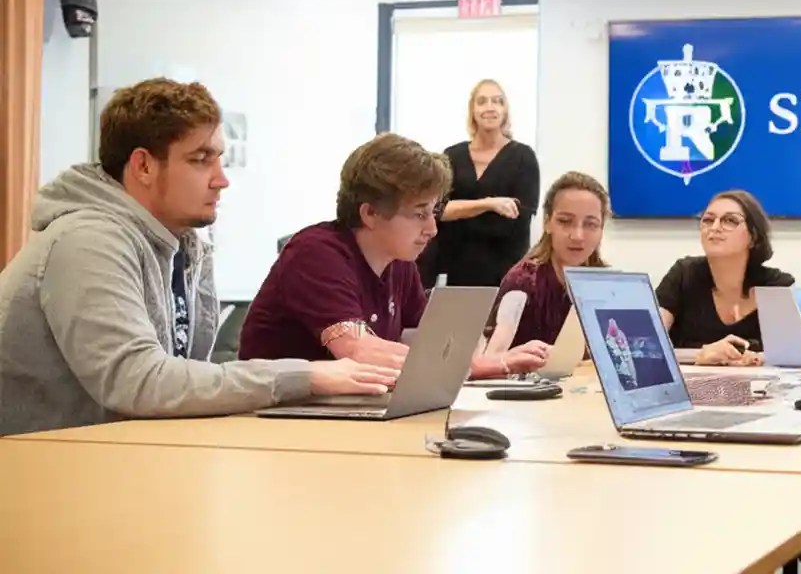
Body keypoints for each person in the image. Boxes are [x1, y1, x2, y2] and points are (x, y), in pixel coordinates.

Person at [0, 78, 395, 437]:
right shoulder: (87, 240)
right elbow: (137, 383)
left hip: (118, 459)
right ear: (143, 166)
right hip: (40, 471)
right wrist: (306, 376)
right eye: (201, 159)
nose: (221, 179)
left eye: (220, 158)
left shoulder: (184, 244)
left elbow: (179, 385)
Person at [238, 133, 547, 380]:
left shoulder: (399, 264)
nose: (432, 229)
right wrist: (478, 365)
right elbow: (359, 351)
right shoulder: (316, 254)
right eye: (419, 214)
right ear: (370, 213)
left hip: (339, 415)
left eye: (434, 212)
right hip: (274, 425)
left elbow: (435, 343)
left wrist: (492, 362)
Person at [421, 79, 540, 288]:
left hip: (504, 272)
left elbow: (518, 218)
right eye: (482, 101)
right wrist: (490, 204)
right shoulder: (452, 156)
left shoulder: (523, 157)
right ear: (473, 110)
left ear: (505, 111)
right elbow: (437, 210)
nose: (490, 107)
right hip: (454, 270)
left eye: (497, 101)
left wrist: (461, 213)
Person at [656, 191, 794, 366]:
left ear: (754, 236)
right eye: (708, 220)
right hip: (692, 387)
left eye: (730, 220)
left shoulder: (776, 285)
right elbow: (647, 346)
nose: (715, 227)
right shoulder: (684, 274)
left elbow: (793, 354)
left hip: (761, 389)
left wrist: (752, 356)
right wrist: (700, 355)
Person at [483, 172, 609, 356]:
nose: (577, 236)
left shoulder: (607, 285)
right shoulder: (523, 282)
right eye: (565, 221)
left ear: (601, 229)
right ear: (547, 222)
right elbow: (491, 358)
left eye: (590, 224)